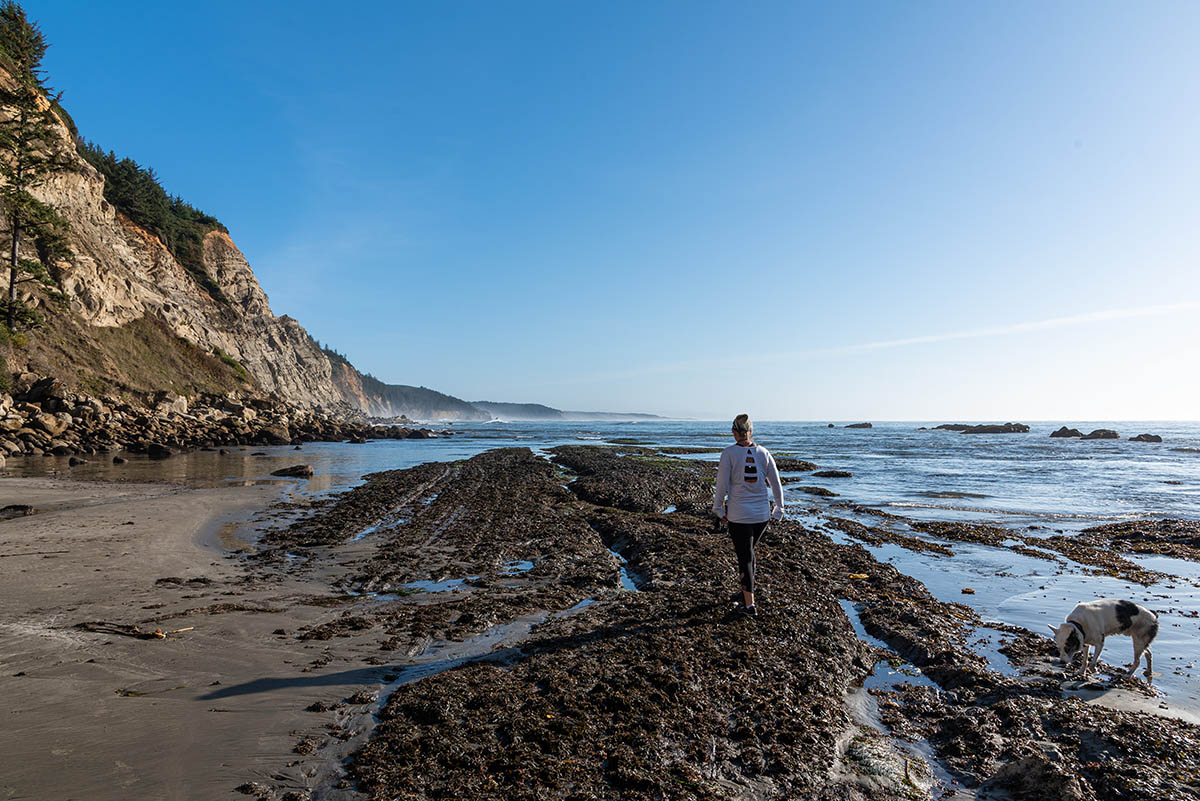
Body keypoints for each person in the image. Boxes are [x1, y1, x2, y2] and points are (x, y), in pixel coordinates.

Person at [712, 414, 783, 618]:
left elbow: (722, 485)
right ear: (751, 432)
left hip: (738, 515)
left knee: (745, 558)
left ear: (734, 432)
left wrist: (718, 508)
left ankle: (749, 605)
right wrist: (779, 510)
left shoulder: (728, 453)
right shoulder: (764, 452)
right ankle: (747, 589)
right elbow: (776, 484)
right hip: (762, 516)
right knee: (749, 553)